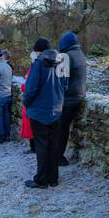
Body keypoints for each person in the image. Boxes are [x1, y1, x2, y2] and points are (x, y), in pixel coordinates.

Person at [22, 39, 66, 189]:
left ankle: (41, 180)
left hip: (39, 112)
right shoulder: (61, 63)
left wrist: (26, 102)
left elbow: (31, 89)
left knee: (42, 146)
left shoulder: (38, 64)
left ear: (38, 51)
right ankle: (53, 178)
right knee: (53, 145)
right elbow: (64, 86)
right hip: (57, 110)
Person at [57, 32, 86, 166]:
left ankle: (58, 157)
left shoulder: (66, 56)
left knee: (61, 129)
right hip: (79, 95)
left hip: (68, 98)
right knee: (64, 128)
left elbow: (61, 80)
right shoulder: (80, 54)